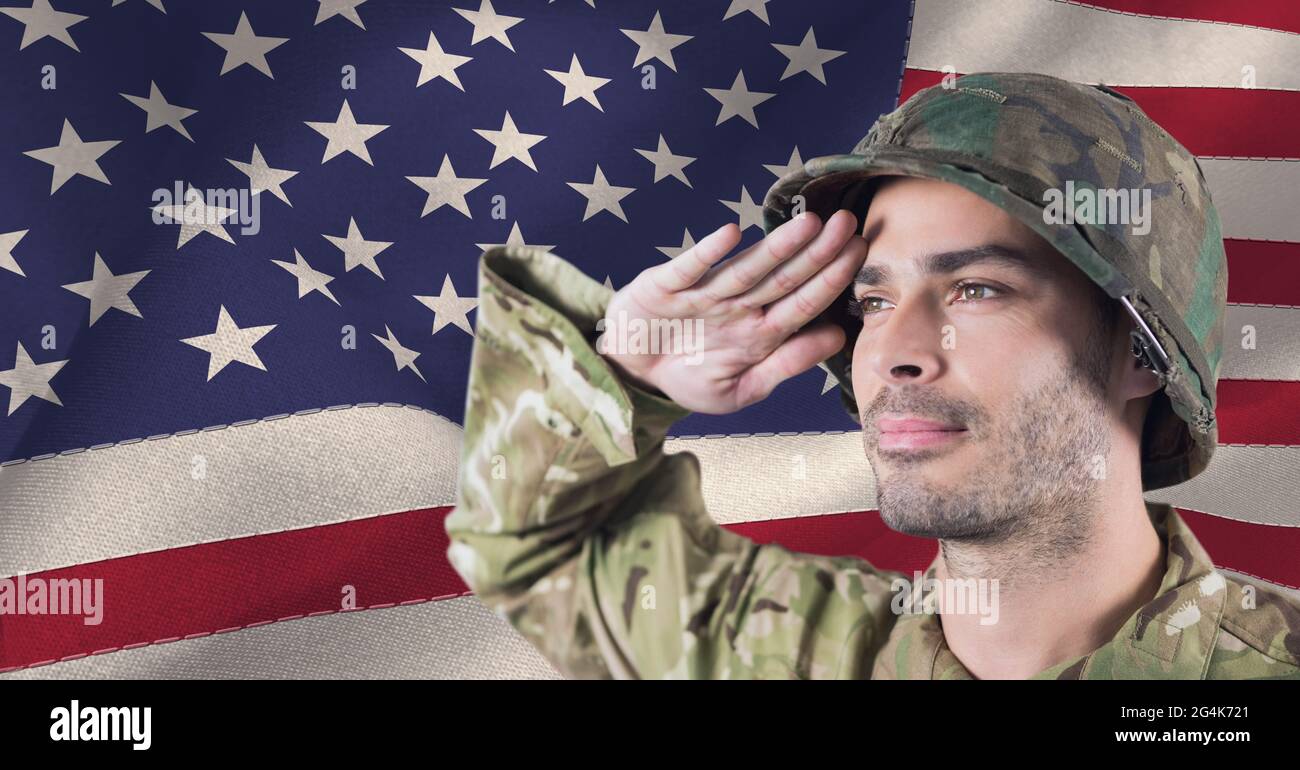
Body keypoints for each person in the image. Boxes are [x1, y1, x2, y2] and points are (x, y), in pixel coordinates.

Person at [444, 71, 1300, 679]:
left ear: (1139, 352)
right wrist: (619, 377)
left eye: (976, 288)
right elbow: (534, 545)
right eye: (874, 300)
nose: (895, 351)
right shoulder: (791, 650)